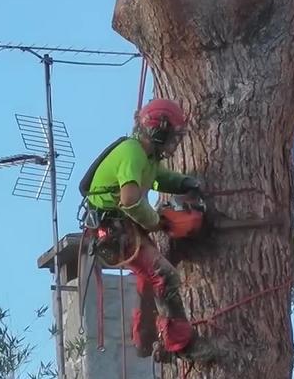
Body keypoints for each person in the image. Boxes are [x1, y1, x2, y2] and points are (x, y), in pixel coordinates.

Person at [79, 97, 204, 359]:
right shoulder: (132, 153)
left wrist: (185, 183)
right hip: (114, 229)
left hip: (124, 225)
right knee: (164, 275)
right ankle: (183, 345)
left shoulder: (146, 157)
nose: (174, 141)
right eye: (172, 134)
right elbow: (130, 200)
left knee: (148, 280)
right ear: (159, 131)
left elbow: (157, 179)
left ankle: (144, 338)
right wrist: (156, 221)